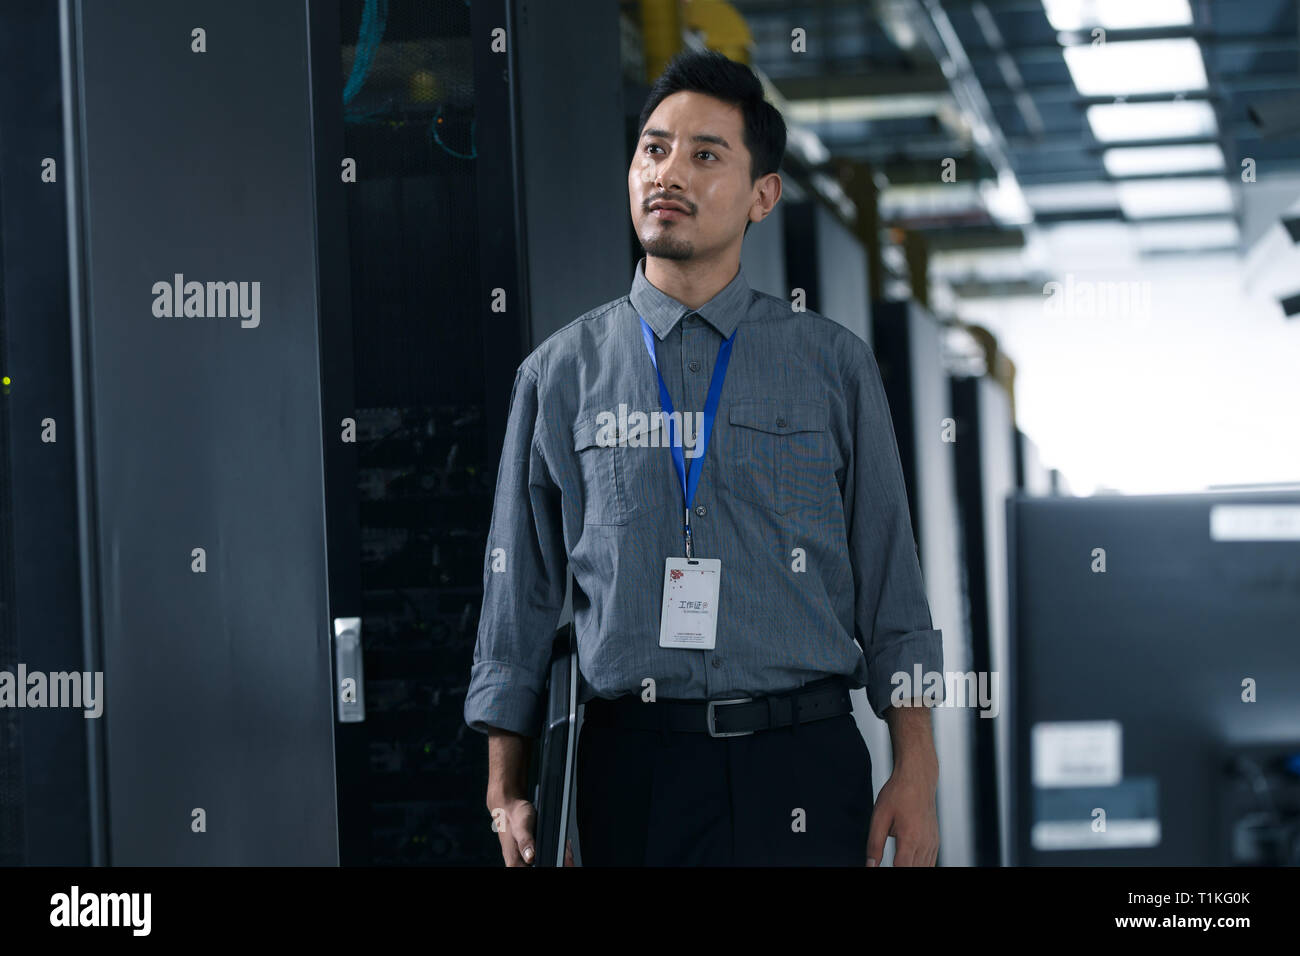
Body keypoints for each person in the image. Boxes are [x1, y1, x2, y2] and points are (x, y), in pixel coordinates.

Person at [464, 48, 944, 867]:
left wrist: (916, 773)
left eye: (704, 154)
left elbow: (893, 592)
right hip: (635, 774)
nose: (668, 172)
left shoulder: (832, 366)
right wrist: (507, 786)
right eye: (653, 148)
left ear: (763, 196)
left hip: (803, 760)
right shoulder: (558, 376)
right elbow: (517, 607)